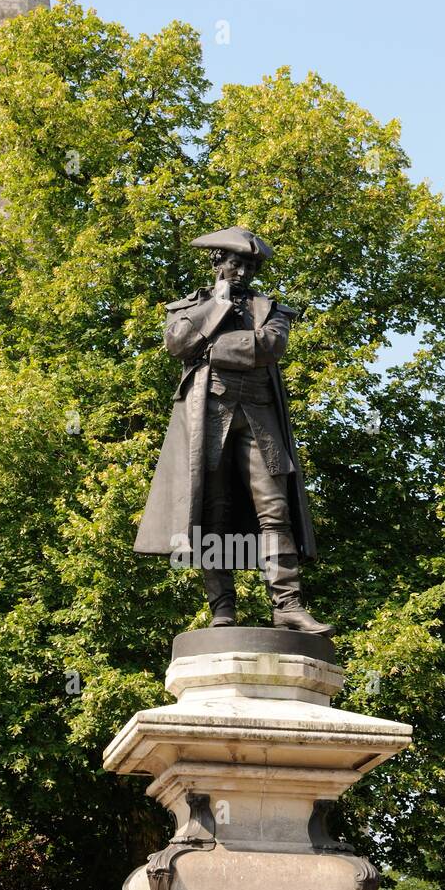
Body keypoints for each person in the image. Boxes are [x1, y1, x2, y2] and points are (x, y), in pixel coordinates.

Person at [134, 226, 331, 635]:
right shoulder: (191, 307)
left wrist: (212, 348)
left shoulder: (271, 309)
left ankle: (288, 605)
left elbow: (270, 348)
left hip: (259, 418)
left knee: (274, 511)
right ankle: (222, 608)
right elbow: (177, 345)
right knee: (213, 513)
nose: (241, 272)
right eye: (235, 263)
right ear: (218, 263)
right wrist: (216, 311)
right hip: (208, 416)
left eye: (249, 266)